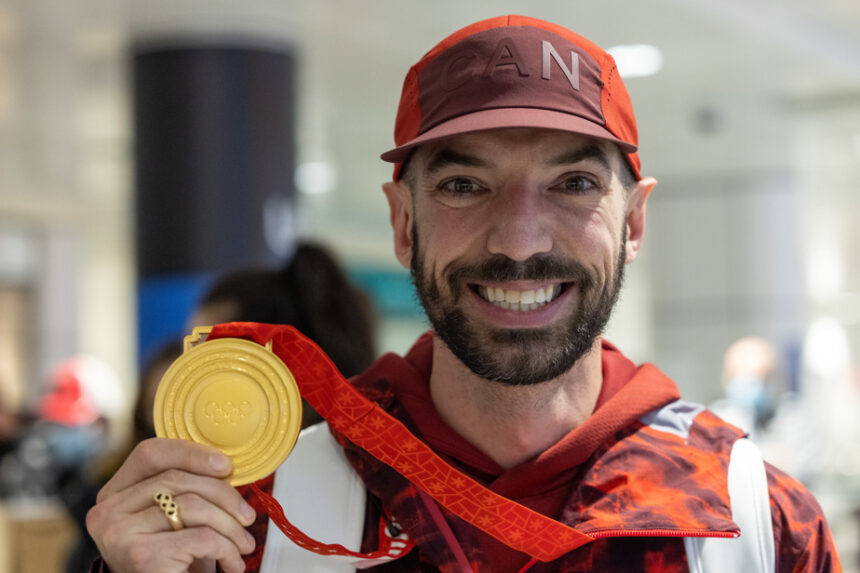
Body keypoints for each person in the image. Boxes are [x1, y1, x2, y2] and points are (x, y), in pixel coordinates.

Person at [85, 15, 840, 572]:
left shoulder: (756, 524)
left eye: (573, 183)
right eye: (464, 184)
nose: (518, 239)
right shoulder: (260, 520)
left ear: (634, 221)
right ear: (403, 222)